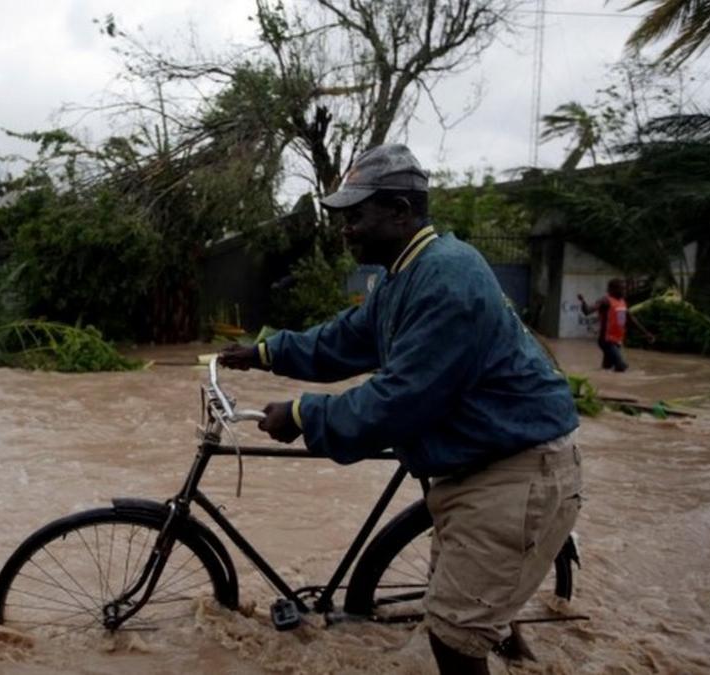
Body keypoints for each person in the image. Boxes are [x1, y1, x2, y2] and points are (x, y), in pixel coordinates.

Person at [220, 144, 582, 675]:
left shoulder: (447, 279)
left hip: (515, 472)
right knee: (463, 614)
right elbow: (345, 339)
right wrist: (265, 353)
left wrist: (302, 416)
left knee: (453, 642)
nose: (346, 229)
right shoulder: (403, 275)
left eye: (356, 216)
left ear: (400, 212)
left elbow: (399, 399)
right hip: (479, 464)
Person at [578, 279, 654, 372]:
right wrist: (583, 302)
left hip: (617, 341)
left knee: (606, 369)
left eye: (624, 289)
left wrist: (646, 333)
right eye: (621, 289)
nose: (624, 291)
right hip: (607, 341)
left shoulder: (622, 302)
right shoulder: (605, 301)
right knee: (621, 366)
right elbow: (588, 311)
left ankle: (603, 383)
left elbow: (631, 320)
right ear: (611, 290)